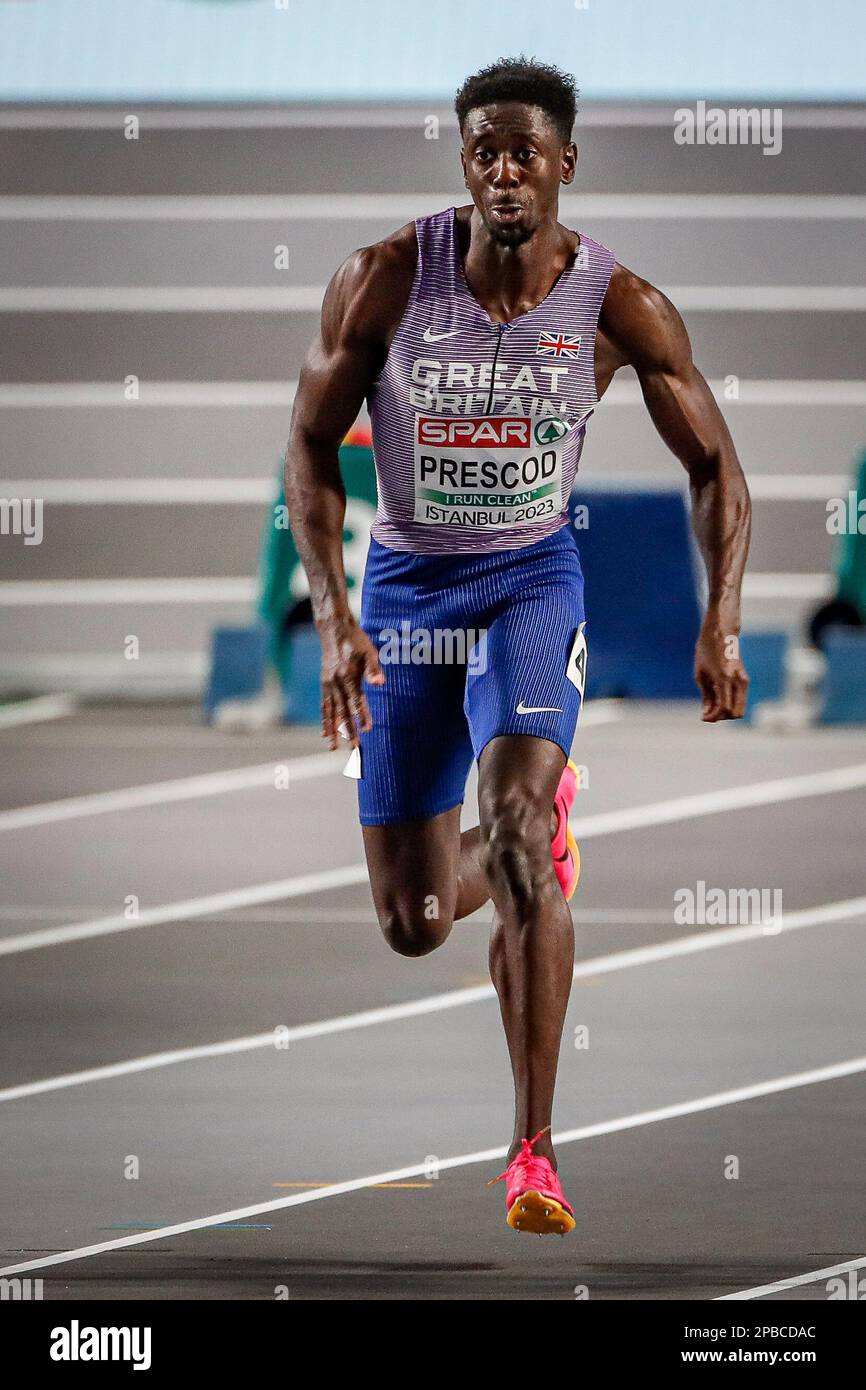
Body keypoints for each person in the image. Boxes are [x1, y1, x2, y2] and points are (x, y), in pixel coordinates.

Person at [285, 57, 751, 1234]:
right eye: (482, 151)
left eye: (523, 154)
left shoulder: (616, 302)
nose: (502, 171)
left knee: (524, 840)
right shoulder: (384, 278)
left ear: (563, 167)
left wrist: (719, 615)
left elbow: (714, 468)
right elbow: (304, 450)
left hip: (531, 582)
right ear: (463, 162)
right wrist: (336, 618)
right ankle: (511, 837)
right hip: (406, 588)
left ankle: (531, 1154)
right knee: (416, 922)